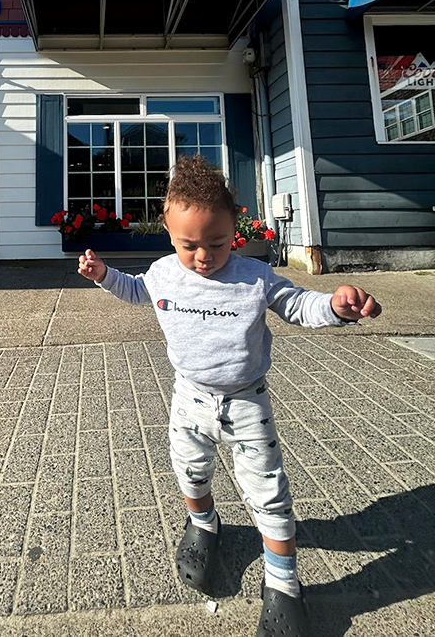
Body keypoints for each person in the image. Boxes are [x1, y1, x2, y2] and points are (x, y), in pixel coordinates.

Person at [78, 155, 381, 637]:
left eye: (216, 242)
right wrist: (103, 276)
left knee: (269, 492)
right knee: (189, 471)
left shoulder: (253, 277)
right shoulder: (162, 273)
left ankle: (283, 584)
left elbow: (298, 304)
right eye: (188, 245)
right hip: (189, 398)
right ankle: (204, 524)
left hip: (246, 402)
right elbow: (138, 291)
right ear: (167, 230)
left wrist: (335, 306)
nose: (202, 256)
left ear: (235, 228)